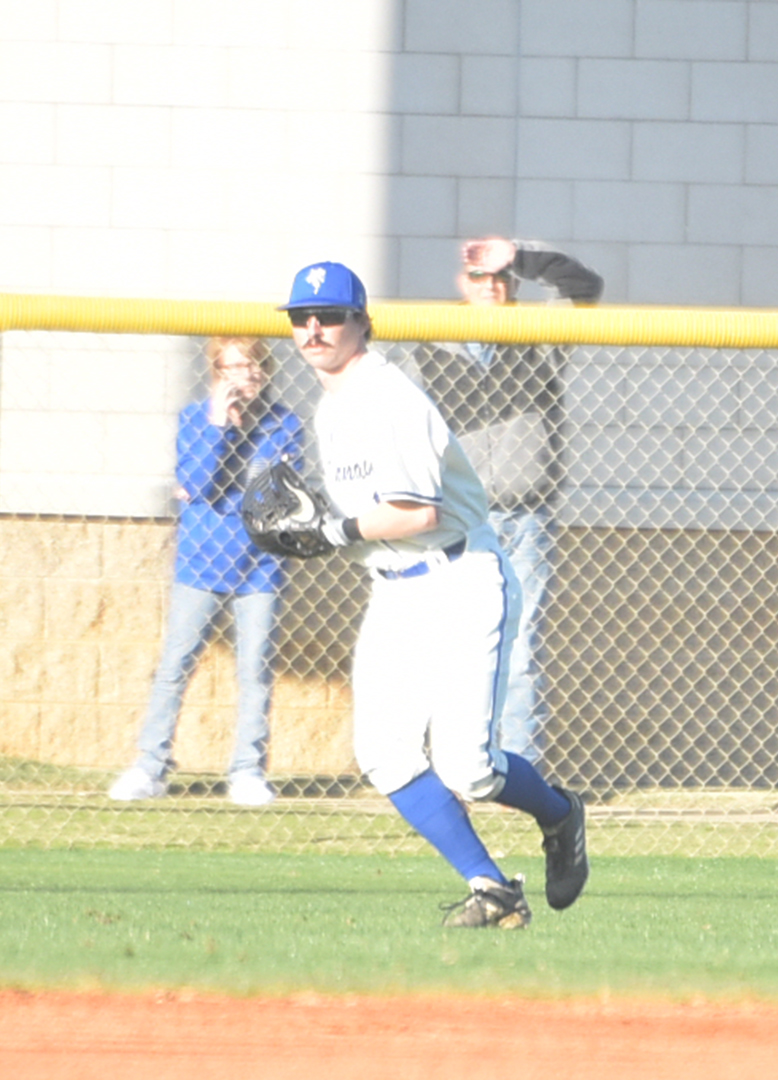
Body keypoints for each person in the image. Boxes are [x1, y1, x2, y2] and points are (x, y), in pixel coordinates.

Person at [279, 260, 588, 928]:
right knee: (384, 755)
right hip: (393, 592)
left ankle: (561, 816)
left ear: (361, 323)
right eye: (301, 319)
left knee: (470, 770)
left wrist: (330, 530)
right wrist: (311, 534)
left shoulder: (391, 398)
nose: (314, 330)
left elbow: (416, 513)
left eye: (330, 316)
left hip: (460, 581)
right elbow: (368, 526)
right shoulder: (330, 411)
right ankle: (493, 887)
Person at [411, 237, 602, 763]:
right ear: (461, 284)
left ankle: (516, 767)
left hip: (526, 518)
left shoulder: (538, 336)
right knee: (456, 647)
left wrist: (516, 255)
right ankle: (457, 760)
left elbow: (585, 287)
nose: (492, 287)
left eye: (501, 279)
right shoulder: (430, 345)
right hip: (460, 522)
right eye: (480, 277)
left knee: (519, 653)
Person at [108, 336, 303, 807]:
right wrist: (220, 425)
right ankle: (150, 767)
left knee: (255, 667)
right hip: (200, 562)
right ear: (216, 372)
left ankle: (247, 771)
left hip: (259, 564)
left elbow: (278, 492)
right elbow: (199, 484)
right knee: (175, 665)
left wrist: (222, 487)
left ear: (265, 370)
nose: (244, 376)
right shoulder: (196, 418)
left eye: (252, 366)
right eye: (232, 367)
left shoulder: (284, 424)